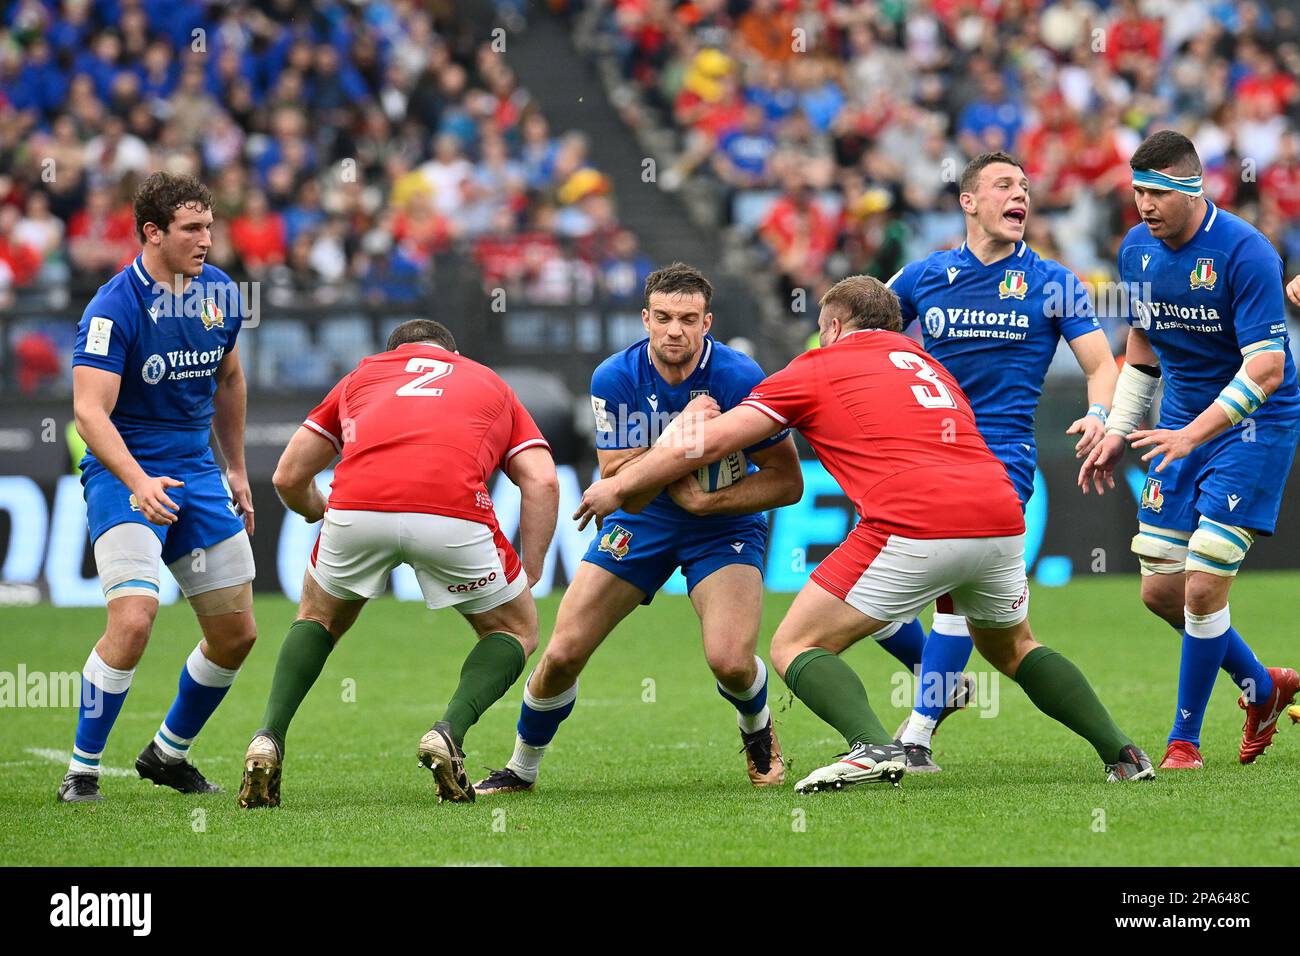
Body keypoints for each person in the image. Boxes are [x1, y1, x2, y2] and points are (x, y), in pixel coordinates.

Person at [577, 275, 1154, 792]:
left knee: (794, 645)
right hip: (1001, 513)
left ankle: (872, 745)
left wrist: (618, 490)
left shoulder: (814, 367)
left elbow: (710, 441)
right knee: (1014, 647)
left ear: (831, 325)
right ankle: (1122, 753)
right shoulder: (928, 363)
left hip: (915, 520)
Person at [474, 263, 804, 795]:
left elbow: (787, 483)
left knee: (731, 661)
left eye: (689, 319)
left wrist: (706, 502)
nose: (676, 330)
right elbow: (618, 481)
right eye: (666, 317)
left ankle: (757, 729)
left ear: (707, 323)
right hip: (641, 521)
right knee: (561, 654)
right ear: (646, 318)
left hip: (722, 523)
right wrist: (679, 439)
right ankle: (522, 767)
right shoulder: (616, 377)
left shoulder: (741, 378)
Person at [238, 319, 558, 807]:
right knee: (515, 630)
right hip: (452, 511)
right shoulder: (487, 380)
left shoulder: (362, 375)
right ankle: (447, 732)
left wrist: (321, 512)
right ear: (452, 352)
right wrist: (531, 570)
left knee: (317, 617)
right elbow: (543, 481)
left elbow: (287, 476)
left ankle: (268, 738)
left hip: (358, 507)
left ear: (394, 352)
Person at [884, 151, 1119, 771]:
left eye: (1026, 186)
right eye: (1005, 185)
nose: (1022, 195)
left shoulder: (1053, 280)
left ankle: (916, 735)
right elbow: (860, 333)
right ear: (968, 200)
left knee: (953, 595)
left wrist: (1099, 417)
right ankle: (941, 685)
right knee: (877, 600)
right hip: (926, 457)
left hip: (1000, 462)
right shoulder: (923, 276)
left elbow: (1101, 364)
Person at [1080, 130, 1300, 770]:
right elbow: (1143, 348)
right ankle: (1262, 686)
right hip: (1178, 423)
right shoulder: (1134, 252)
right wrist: (1120, 427)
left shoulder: (1246, 253)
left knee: (1203, 585)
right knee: (1160, 593)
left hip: (1251, 427)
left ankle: (1184, 743)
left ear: (1190, 188)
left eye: (1155, 192)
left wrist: (1191, 434)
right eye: (1137, 191)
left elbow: (1266, 370)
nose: (1143, 205)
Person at [60, 171, 256, 802]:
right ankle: (82, 769)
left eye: (210, 227)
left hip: (196, 471)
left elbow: (228, 380)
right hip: (124, 471)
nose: (206, 240)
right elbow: (89, 413)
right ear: (152, 233)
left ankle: (167, 755)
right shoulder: (113, 307)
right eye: (192, 229)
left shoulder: (222, 293)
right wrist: (139, 481)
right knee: (137, 617)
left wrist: (236, 469)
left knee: (237, 635)